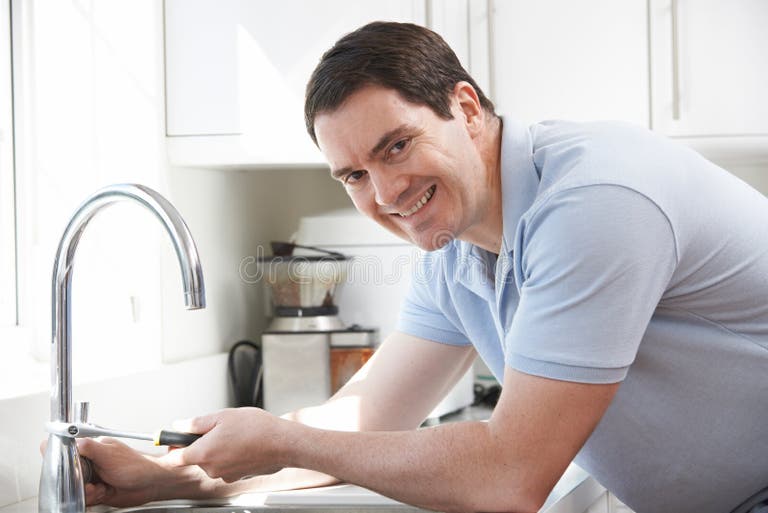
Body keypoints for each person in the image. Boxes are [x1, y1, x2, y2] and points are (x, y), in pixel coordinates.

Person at [74, 21, 768, 513]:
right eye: (354, 174)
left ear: (464, 108)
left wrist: (284, 438)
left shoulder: (595, 200)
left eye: (397, 146)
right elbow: (362, 419)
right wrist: (170, 475)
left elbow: (509, 476)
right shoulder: (458, 251)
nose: (384, 194)